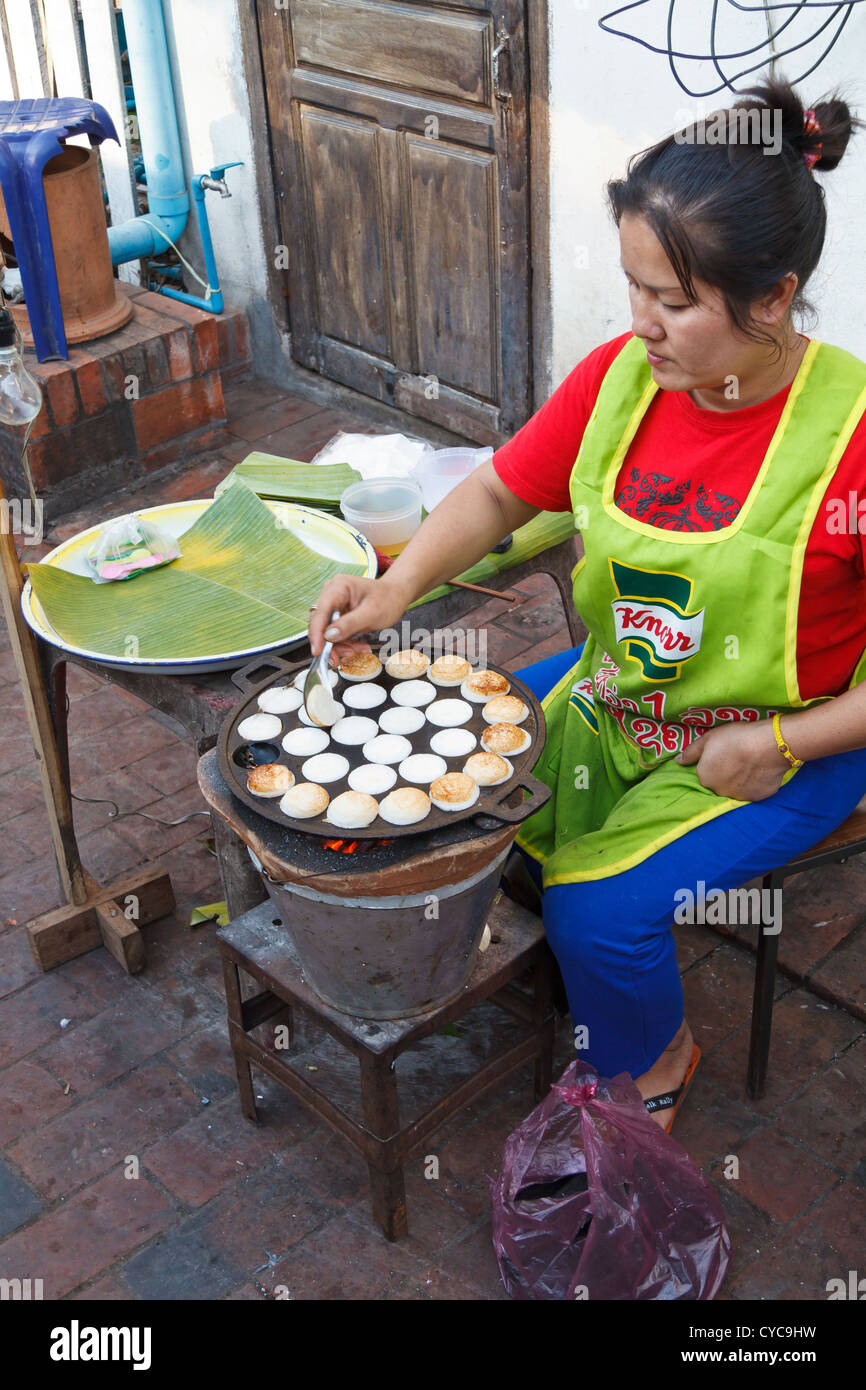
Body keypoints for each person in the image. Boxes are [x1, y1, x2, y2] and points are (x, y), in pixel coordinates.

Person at [308, 78, 866, 1131]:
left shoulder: (851, 431)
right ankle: (579, 978)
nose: (640, 326)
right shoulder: (618, 380)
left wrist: (786, 736)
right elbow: (495, 490)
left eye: (673, 301)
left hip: (795, 740)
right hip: (624, 692)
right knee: (457, 767)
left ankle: (655, 1057)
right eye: (632, 289)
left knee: (595, 911)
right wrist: (390, 590)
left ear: (772, 297)